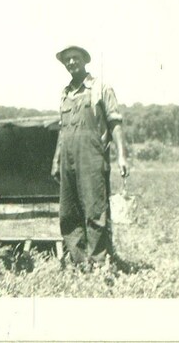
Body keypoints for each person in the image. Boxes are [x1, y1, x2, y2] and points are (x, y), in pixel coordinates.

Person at [51, 45, 130, 267]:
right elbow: (62, 129)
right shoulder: (65, 93)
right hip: (67, 158)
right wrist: (56, 160)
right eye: (67, 60)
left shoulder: (100, 88)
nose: (71, 62)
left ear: (85, 60)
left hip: (92, 157)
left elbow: (115, 123)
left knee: (95, 211)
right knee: (68, 212)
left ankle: (99, 262)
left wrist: (121, 156)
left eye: (75, 58)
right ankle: (79, 262)